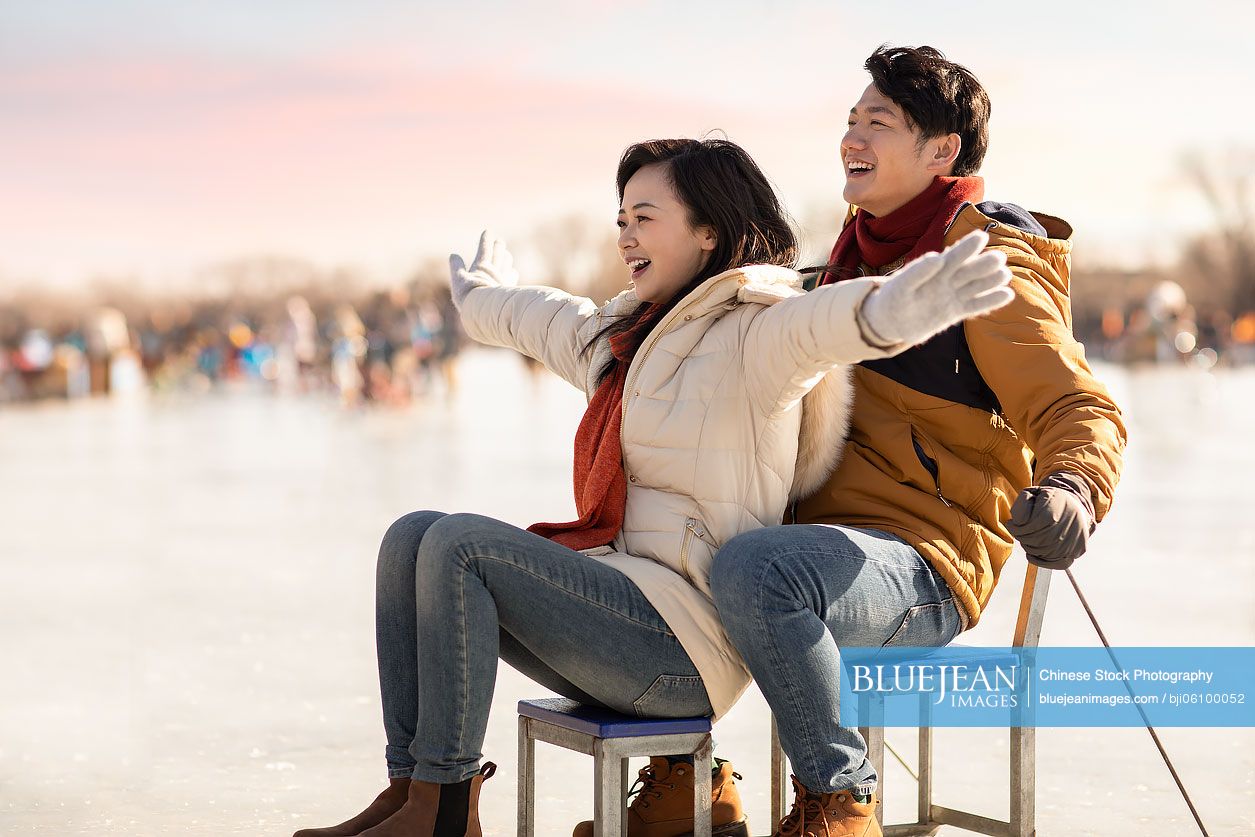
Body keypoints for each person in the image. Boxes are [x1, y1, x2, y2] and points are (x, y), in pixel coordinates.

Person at [290, 137, 1013, 837]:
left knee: (459, 546)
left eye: (644, 218)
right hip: (624, 605)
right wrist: (479, 297)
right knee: (411, 536)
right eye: (621, 220)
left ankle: (446, 810)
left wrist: (892, 310)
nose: (625, 237)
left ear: (707, 232)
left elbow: (822, 327)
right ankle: (412, 788)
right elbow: (535, 318)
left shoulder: (756, 329)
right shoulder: (624, 338)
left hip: (684, 647)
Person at [702, 45, 1129, 837]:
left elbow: (1077, 404)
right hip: (825, 543)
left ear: (941, 151)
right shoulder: (848, 258)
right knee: (669, 540)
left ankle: (841, 798)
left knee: (758, 570)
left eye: (879, 123)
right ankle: (690, 777)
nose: (852, 138)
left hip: (924, 557)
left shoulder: (984, 262)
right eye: (850, 120)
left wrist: (1074, 485)